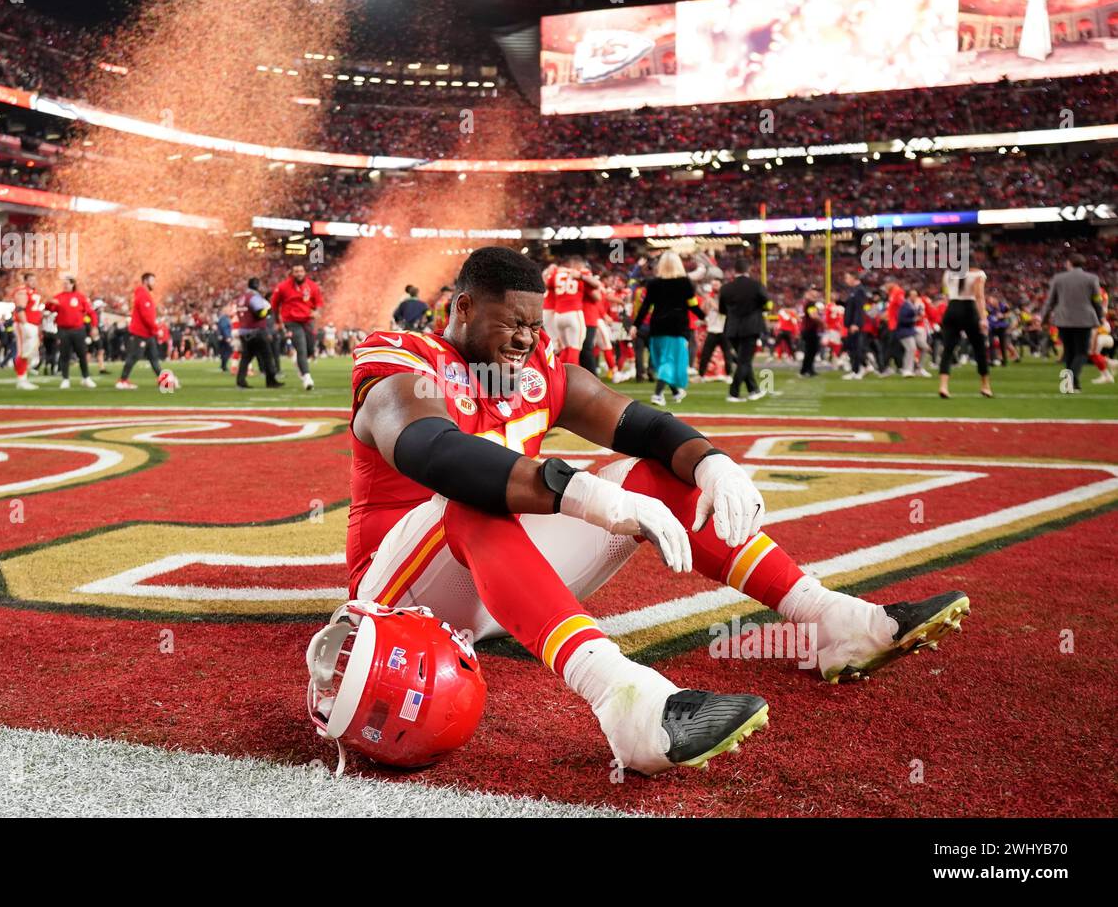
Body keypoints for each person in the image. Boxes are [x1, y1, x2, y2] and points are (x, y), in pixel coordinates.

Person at [339, 246, 968, 775]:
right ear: (464, 307)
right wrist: (577, 490)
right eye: (511, 324)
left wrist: (710, 461)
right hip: (399, 597)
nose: (526, 340)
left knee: (650, 472)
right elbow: (432, 451)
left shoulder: (537, 371)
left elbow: (640, 424)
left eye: (534, 325)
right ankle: (628, 702)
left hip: (488, 590)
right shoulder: (403, 358)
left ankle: (830, 620)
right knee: (474, 490)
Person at [631, 252, 704, 405]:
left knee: (664, 360)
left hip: (657, 327)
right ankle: (657, 394)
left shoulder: (653, 283)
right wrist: (704, 317)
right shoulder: (685, 282)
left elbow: (645, 307)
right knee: (670, 361)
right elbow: (693, 305)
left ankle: (676, 392)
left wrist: (635, 325)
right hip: (677, 328)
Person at [1043, 256, 1104, 394]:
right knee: (1081, 352)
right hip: (1084, 319)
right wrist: (1100, 316)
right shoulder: (1091, 278)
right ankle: (1070, 382)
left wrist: (1044, 318)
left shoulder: (1058, 278)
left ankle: (1072, 384)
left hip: (1063, 319)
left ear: (1069, 263)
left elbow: (1050, 301)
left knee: (1069, 352)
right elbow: (1097, 300)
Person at [718, 256, 771, 403]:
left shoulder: (726, 288)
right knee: (744, 361)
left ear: (735, 271)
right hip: (751, 327)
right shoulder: (756, 285)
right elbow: (767, 303)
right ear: (748, 269)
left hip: (732, 328)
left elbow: (722, 310)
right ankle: (733, 393)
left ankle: (753, 390)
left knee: (744, 360)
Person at [937, 263, 992, 399]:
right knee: (979, 349)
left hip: (952, 309)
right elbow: (979, 296)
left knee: (948, 350)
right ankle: (985, 385)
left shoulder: (948, 273)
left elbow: (946, 294)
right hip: (969, 310)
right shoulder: (978, 274)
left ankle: (943, 386)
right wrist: (983, 318)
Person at [270, 264, 324, 390]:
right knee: (301, 348)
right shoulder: (282, 287)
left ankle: (298, 361)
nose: (299, 273)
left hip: (308, 321)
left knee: (310, 348)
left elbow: (319, 303)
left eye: (301, 271)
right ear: (292, 273)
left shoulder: (312, 286)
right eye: (296, 271)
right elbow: (274, 304)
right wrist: (277, 321)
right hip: (291, 322)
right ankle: (307, 378)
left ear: (304, 272)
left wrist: (317, 311)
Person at [48, 276, 98, 389]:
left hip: (78, 330)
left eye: (67, 283)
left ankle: (86, 378)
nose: (65, 285)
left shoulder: (80, 297)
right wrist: (50, 302)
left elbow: (91, 312)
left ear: (72, 284)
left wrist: (94, 326)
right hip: (63, 330)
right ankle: (65, 379)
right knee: (64, 355)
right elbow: (49, 308)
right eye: (64, 283)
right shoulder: (58, 297)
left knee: (82, 354)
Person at [117, 273, 165, 390]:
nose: (154, 283)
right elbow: (146, 316)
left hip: (147, 333)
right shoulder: (143, 295)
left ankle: (163, 381)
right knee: (134, 356)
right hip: (141, 333)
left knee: (154, 358)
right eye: (152, 280)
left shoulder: (144, 294)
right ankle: (122, 380)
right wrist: (156, 329)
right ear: (145, 281)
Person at [234, 277, 283, 389]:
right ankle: (271, 380)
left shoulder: (241, 297)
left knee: (246, 357)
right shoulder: (254, 297)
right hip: (256, 331)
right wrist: (268, 311)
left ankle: (240, 381)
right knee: (267, 356)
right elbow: (259, 313)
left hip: (243, 331)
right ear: (256, 285)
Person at [10, 271, 43, 390]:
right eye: (31, 280)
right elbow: (20, 309)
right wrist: (25, 324)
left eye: (35, 280)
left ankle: (23, 377)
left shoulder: (33, 292)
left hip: (31, 325)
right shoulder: (23, 291)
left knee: (28, 352)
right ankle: (21, 379)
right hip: (24, 325)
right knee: (23, 353)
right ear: (25, 281)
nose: (33, 282)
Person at [799, 297, 822, 377]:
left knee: (811, 351)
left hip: (809, 330)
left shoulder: (809, 303)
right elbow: (813, 316)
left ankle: (809, 369)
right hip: (809, 331)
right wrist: (823, 323)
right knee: (810, 351)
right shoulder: (810, 304)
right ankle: (805, 370)